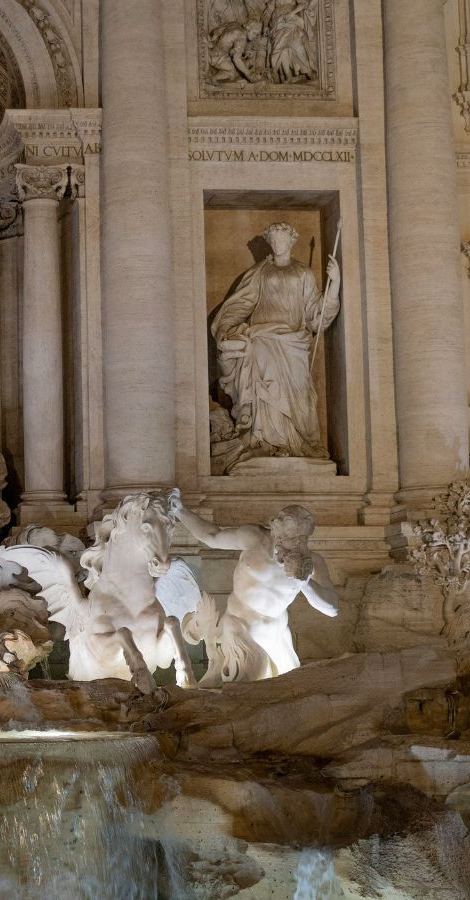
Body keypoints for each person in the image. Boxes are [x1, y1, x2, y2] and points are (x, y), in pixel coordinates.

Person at [168, 490, 338, 683]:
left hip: (276, 634)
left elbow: (332, 609)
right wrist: (181, 511)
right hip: (239, 627)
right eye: (287, 540)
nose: (294, 546)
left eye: (300, 541)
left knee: (291, 688)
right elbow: (212, 536)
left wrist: (304, 582)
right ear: (276, 531)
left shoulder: (311, 562)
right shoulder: (254, 538)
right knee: (248, 687)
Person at [210, 222, 340, 471]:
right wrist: (226, 329)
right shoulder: (260, 272)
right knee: (265, 389)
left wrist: (334, 285)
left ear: (292, 242)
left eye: (283, 240)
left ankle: (296, 444)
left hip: (294, 345)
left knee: (299, 395)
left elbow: (316, 315)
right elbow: (241, 304)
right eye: (274, 240)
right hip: (262, 340)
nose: (278, 244)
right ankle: (263, 441)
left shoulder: (304, 273)